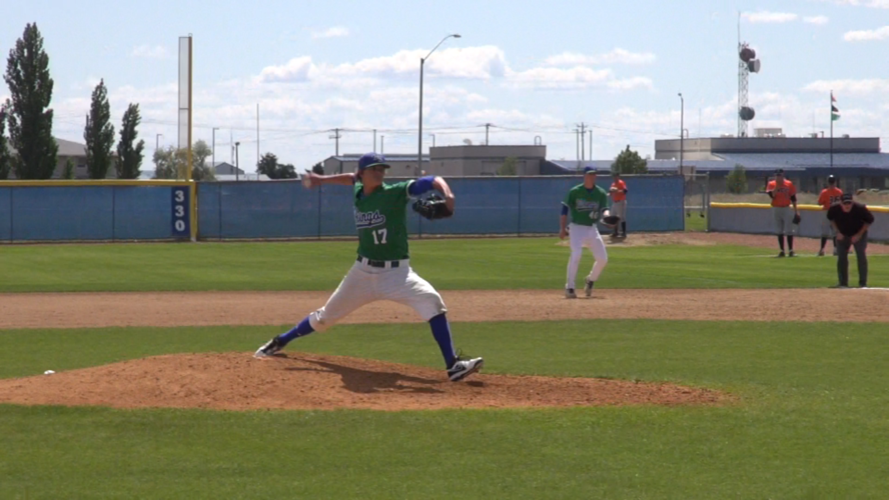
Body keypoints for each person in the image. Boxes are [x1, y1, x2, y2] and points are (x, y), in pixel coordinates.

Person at [254, 152, 484, 382]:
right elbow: (350, 179)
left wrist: (448, 194)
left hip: (398, 274)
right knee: (324, 318)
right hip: (361, 274)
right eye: (375, 169)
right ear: (362, 173)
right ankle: (280, 341)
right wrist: (321, 179)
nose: (380, 173)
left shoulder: (395, 192)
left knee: (433, 302)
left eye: (382, 169)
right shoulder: (358, 190)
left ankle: (453, 366)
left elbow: (432, 180)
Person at [559, 166, 610, 298]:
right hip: (576, 227)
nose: (592, 176)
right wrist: (562, 228)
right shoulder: (575, 191)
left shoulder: (600, 193)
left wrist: (607, 216)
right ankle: (570, 287)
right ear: (584, 176)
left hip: (591, 228)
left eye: (594, 174)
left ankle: (590, 280)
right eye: (589, 174)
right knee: (576, 254)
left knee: (603, 259)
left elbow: (605, 209)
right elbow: (564, 209)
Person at [827, 192, 874, 288]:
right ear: (840, 203)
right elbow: (831, 219)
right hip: (842, 234)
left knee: (861, 256)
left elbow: (869, 221)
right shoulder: (834, 209)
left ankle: (862, 283)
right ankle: (843, 282)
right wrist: (837, 232)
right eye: (845, 203)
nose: (847, 205)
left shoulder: (860, 209)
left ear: (852, 202)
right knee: (841, 258)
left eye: (849, 203)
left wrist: (858, 235)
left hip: (858, 234)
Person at [765, 168, 800, 257]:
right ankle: (782, 250)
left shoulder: (788, 184)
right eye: (777, 175)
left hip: (786, 208)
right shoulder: (771, 184)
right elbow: (772, 196)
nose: (778, 177)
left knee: (789, 230)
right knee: (779, 230)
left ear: (783, 175)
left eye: (780, 175)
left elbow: (793, 198)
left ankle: (791, 250)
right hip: (776, 208)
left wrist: (796, 211)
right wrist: (777, 186)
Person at [816, 175, 843, 256]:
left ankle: (822, 250)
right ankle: (835, 249)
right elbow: (842, 202)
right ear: (835, 182)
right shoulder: (839, 191)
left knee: (825, 232)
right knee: (835, 232)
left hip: (827, 212)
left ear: (828, 182)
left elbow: (819, 203)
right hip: (836, 212)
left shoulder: (825, 192)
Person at [608, 171, 628, 238]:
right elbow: (610, 193)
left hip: (621, 201)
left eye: (616, 176)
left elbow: (625, 191)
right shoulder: (613, 184)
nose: (615, 177)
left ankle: (624, 233)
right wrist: (607, 194)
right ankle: (616, 232)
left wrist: (617, 191)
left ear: (618, 176)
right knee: (613, 217)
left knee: (621, 217)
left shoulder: (621, 182)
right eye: (614, 176)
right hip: (615, 202)